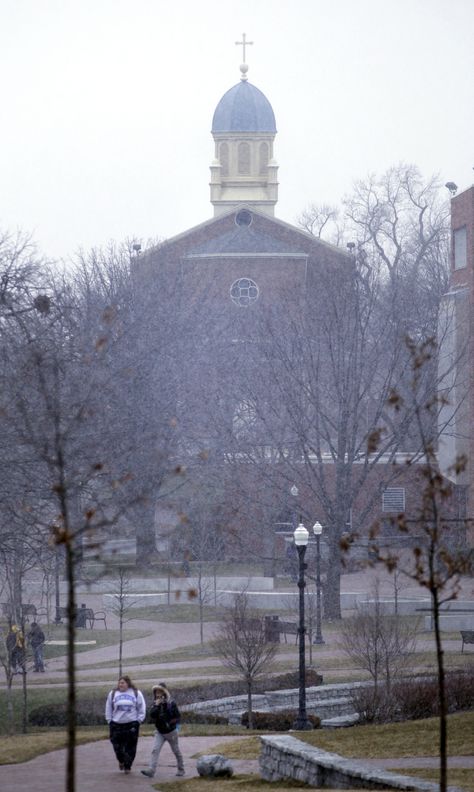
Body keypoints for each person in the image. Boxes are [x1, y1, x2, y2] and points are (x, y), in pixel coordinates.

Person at [141, 682, 185, 778]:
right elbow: (152, 715)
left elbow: (178, 717)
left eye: (160, 692)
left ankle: (181, 769)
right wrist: (157, 705)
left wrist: (169, 723)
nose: (158, 694)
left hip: (171, 732)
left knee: (176, 751)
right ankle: (151, 770)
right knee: (155, 750)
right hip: (160, 732)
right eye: (156, 692)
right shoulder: (155, 704)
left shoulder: (171, 703)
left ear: (164, 692)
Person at [105, 675, 146, 774]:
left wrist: (139, 721)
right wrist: (109, 721)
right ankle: (121, 760)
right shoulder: (113, 693)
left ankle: (128, 765)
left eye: (122, 682)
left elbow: (142, 707)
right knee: (117, 746)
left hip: (131, 724)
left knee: (130, 746)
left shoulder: (136, 693)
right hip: (116, 724)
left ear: (128, 683)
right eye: (119, 683)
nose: (120, 684)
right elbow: (108, 708)